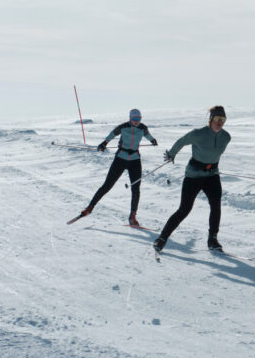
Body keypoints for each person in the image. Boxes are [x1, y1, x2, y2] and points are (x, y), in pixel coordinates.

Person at [154, 105, 231, 253]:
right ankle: (162, 238)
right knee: (184, 209)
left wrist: (210, 165)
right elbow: (182, 140)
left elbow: (214, 154)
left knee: (216, 206)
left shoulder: (226, 137)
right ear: (211, 120)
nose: (220, 122)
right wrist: (171, 153)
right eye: (217, 118)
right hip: (193, 176)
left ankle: (212, 239)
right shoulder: (198, 133)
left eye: (223, 119)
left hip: (212, 175)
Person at [79, 108, 157, 226]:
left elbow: (148, 135)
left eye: (139, 119)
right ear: (130, 118)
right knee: (107, 185)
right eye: (134, 118)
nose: (137, 121)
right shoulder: (123, 126)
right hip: (121, 158)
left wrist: (153, 140)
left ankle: (132, 217)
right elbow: (112, 134)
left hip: (135, 159)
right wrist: (104, 143)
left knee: (136, 189)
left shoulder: (143, 128)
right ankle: (89, 208)